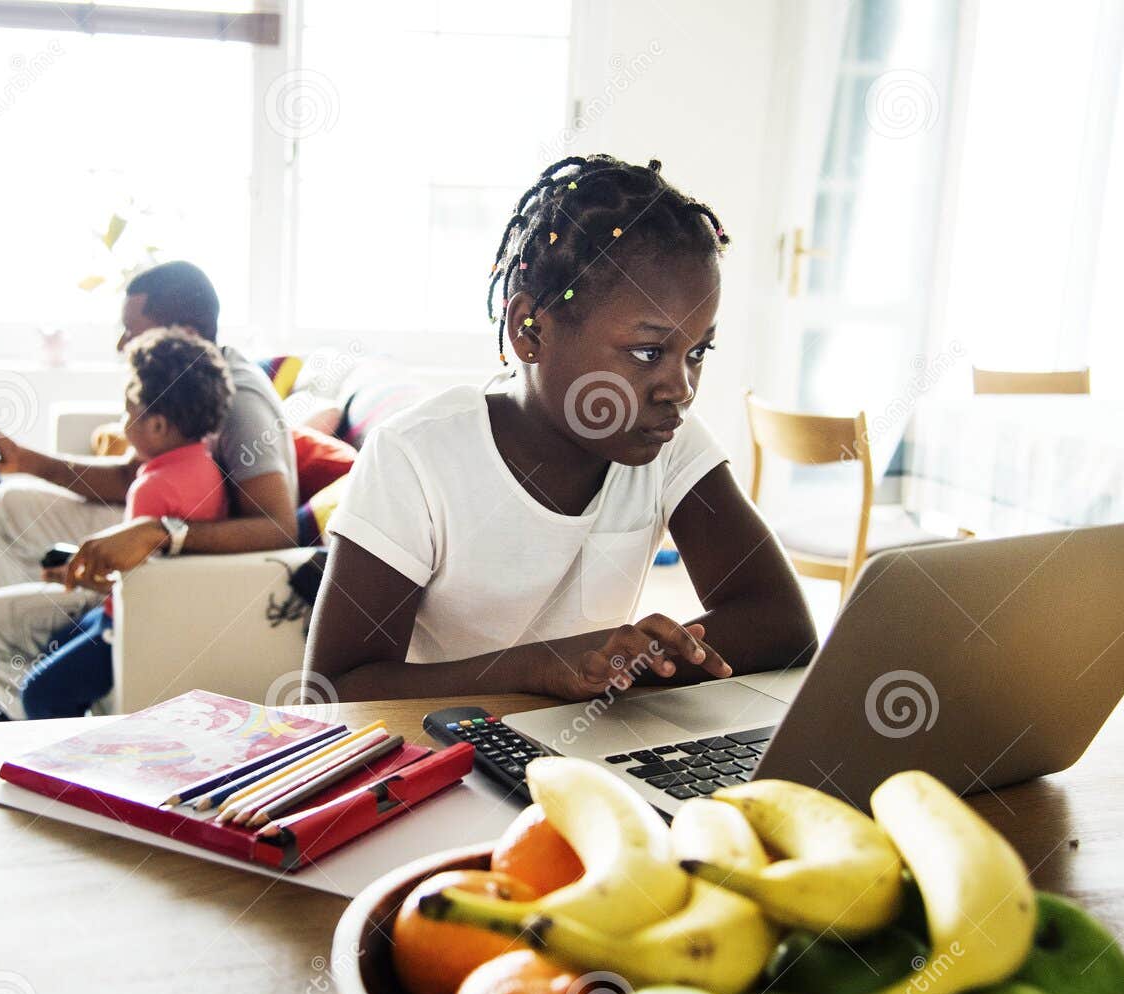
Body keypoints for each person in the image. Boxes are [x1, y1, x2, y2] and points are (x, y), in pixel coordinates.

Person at [305, 155, 817, 703]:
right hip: (443, 762)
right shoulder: (416, 457)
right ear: (531, 330)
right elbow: (334, 689)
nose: (681, 388)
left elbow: (783, 624)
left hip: (583, 754)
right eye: (648, 351)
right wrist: (540, 668)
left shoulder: (667, 441)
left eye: (697, 352)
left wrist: (632, 662)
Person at [0, 261, 297, 721]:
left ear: (188, 331)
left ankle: (29, 696)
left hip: (190, 555)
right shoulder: (187, 382)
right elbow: (131, 476)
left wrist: (160, 533)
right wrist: (25, 460)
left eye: (131, 330)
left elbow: (280, 528)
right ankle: (25, 686)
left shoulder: (241, 401)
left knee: (0, 626)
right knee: (10, 502)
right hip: (166, 523)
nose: (121, 344)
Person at [16, 328, 232, 718]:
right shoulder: (208, 467)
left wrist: (79, 573)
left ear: (159, 426)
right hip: (161, 611)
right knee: (56, 638)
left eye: (128, 411)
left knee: (39, 693)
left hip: (130, 626)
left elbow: (130, 581)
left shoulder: (151, 488)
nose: (123, 421)